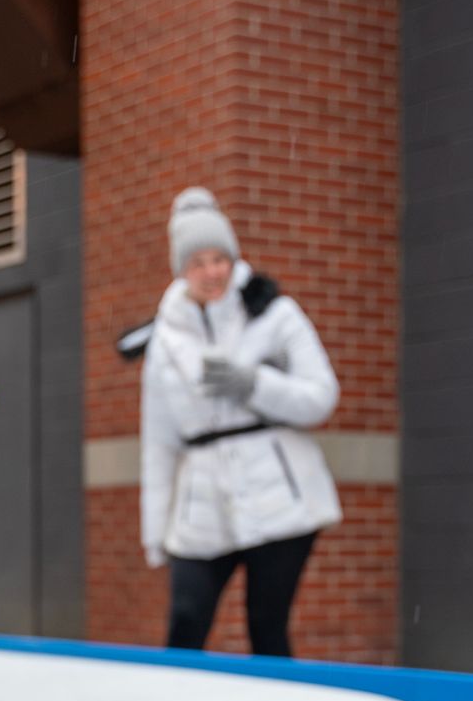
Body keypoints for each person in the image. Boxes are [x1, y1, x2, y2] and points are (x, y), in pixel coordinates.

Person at [141, 188, 341, 657]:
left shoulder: (274, 312)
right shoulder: (164, 339)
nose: (211, 272)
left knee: (267, 630)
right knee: (184, 627)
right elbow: (158, 441)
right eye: (197, 262)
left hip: (281, 498)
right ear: (180, 270)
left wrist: (252, 384)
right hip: (201, 503)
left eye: (219, 258)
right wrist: (155, 532)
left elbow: (320, 398)